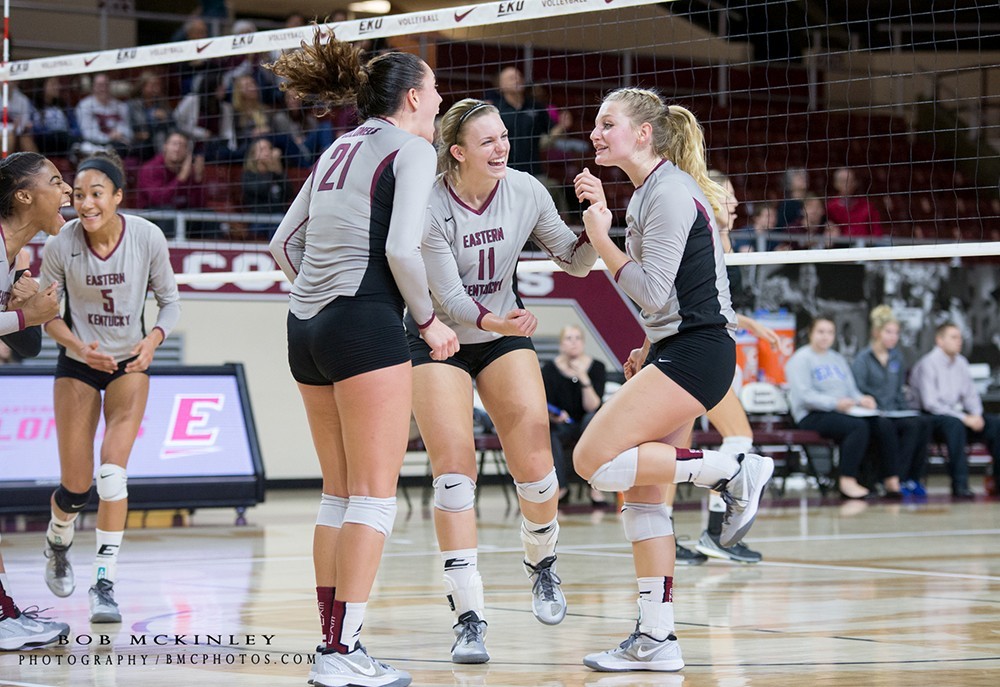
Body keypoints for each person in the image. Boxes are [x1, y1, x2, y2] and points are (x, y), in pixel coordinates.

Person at [266, 32, 459, 687]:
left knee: (336, 495)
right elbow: (404, 251)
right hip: (364, 322)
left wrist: (319, 297)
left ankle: (332, 644)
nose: (439, 97)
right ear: (412, 97)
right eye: (433, 88)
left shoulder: (337, 147)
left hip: (305, 328)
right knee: (374, 498)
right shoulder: (412, 148)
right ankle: (343, 651)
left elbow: (282, 243)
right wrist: (429, 323)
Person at [571, 89, 774, 672]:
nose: (595, 132)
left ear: (643, 134)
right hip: (680, 348)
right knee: (643, 501)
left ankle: (731, 471)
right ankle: (656, 640)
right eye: (594, 122)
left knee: (591, 460)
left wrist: (601, 236)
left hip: (698, 354)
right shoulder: (649, 191)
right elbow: (669, 297)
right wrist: (647, 343)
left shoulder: (668, 191)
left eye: (607, 123)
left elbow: (653, 290)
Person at [411, 98, 597, 664]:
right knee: (453, 475)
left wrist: (595, 223)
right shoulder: (429, 201)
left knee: (537, 457)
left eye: (504, 137)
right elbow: (447, 298)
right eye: (487, 141)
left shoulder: (526, 190)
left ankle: (542, 566)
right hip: (437, 337)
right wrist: (499, 319)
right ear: (457, 152)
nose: (502, 148)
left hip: (500, 332)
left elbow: (576, 262)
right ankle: (468, 617)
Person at [39, 150, 181, 624]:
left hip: (129, 364)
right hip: (79, 363)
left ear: (118, 196)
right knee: (76, 487)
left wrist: (153, 340)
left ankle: (104, 584)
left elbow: (171, 304)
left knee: (112, 475)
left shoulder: (147, 237)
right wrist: (80, 347)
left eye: (96, 193)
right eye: (78, 194)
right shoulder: (61, 244)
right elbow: (46, 318)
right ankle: (58, 539)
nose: (85, 203)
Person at [667, 169, 780, 566]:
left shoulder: (725, 241)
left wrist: (748, 323)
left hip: (709, 351)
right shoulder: (697, 235)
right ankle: (713, 532)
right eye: (727, 196)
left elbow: (721, 303)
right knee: (733, 438)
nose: (735, 204)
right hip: (690, 353)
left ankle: (706, 534)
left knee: (678, 448)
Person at [0, 152, 72, 650]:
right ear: (24, 196)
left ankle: (3, 612)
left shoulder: (15, 259)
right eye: (56, 181)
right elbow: (25, 331)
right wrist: (29, 315)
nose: (66, 189)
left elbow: (25, 347)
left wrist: (23, 310)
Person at [786, 316, 902, 499]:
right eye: (821, 332)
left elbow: (851, 390)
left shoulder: (837, 358)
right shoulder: (800, 359)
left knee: (882, 424)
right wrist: (834, 403)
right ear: (811, 333)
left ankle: (889, 479)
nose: (825, 337)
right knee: (857, 427)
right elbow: (804, 396)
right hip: (812, 414)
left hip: (842, 411)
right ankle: (847, 480)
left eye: (830, 332)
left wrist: (862, 399)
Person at [910, 322, 1000, 498]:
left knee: (995, 425)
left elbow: (971, 395)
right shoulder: (928, 363)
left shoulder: (962, 363)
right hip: (932, 418)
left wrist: (976, 415)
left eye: (960, 337)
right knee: (954, 424)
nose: (959, 341)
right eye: (953, 337)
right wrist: (964, 418)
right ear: (939, 340)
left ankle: (997, 482)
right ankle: (960, 484)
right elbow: (931, 404)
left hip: (958, 415)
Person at [851, 305, 934, 497]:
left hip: (894, 410)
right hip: (873, 413)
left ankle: (913, 478)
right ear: (876, 332)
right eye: (889, 332)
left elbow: (898, 392)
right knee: (891, 426)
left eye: (896, 333)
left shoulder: (897, 357)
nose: (893, 337)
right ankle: (896, 478)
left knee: (921, 423)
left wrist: (906, 410)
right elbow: (857, 390)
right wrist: (867, 401)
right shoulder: (863, 359)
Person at [542, 324, 607, 506]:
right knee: (550, 432)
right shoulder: (549, 369)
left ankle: (595, 488)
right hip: (562, 423)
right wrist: (554, 416)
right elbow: (546, 404)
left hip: (589, 425)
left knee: (592, 420)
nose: (573, 343)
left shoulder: (597, 367)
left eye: (577, 338)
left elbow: (593, 406)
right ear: (561, 344)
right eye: (568, 339)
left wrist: (583, 378)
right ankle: (561, 488)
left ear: (583, 342)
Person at [135, 130, 207, 237]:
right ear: (165, 146)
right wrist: (181, 179)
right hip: (152, 217)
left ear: (188, 151)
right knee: (168, 213)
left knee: (207, 215)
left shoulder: (189, 171)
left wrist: (198, 178)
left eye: (182, 145)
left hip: (182, 215)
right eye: (174, 144)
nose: (177, 149)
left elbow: (198, 204)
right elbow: (159, 200)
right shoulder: (150, 168)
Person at [75, 74, 133, 158]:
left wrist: (120, 133)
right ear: (93, 87)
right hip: (95, 146)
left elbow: (129, 132)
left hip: (119, 145)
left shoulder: (121, 106)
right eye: (99, 85)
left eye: (106, 85)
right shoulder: (84, 106)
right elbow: (88, 134)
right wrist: (109, 137)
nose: (103, 89)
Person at [241, 137, 287, 239]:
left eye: (269, 149)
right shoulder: (249, 175)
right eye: (262, 149)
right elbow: (262, 189)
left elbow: (288, 194)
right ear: (254, 155)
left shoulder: (276, 173)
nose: (267, 152)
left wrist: (279, 171)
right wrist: (272, 170)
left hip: (279, 217)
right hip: (259, 219)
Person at [826, 167, 883, 239]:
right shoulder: (830, 207)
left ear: (855, 183)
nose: (847, 184)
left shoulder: (867, 206)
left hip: (865, 245)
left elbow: (877, 231)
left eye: (850, 181)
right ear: (836, 184)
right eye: (843, 181)